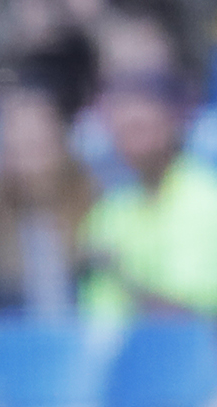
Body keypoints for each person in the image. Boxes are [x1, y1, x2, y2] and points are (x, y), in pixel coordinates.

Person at [77, 66, 217, 318]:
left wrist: (122, 277)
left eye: (140, 127)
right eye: (122, 130)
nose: (130, 141)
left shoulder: (208, 200)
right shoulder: (109, 210)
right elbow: (99, 314)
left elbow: (195, 319)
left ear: (173, 123)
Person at [0, 69, 98, 312]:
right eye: (15, 151)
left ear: (62, 145)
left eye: (36, 148)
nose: (27, 166)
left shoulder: (100, 215)